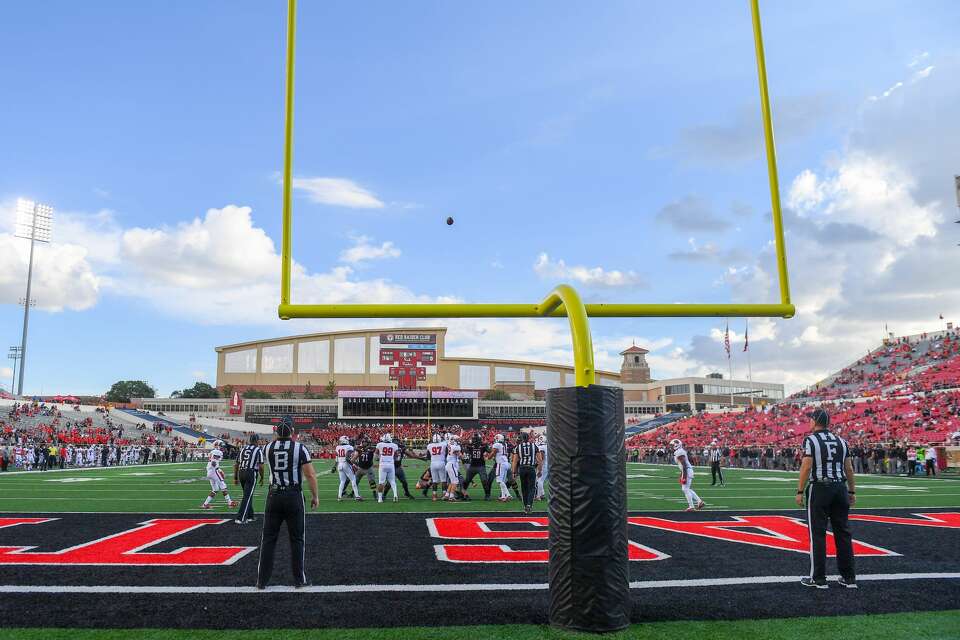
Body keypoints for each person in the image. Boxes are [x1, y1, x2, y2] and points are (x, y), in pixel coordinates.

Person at [795, 407, 857, 589]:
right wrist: (852, 491)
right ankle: (849, 577)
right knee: (843, 533)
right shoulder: (842, 441)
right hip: (840, 488)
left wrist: (799, 490)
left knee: (818, 534)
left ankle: (818, 578)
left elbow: (806, 466)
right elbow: (849, 469)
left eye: (810, 419)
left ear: (814, 421)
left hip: (820, 487)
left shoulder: (811, 440)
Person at [256, 420, 319, 590]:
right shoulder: (300, 448)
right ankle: (299, 579)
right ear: (292, 432)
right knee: (297, 539)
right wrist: (315, 496)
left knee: (268, 539)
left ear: (276, 432)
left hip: (274, 495)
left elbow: (262, 465)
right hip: (293, 495)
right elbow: (310, 475)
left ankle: (262, 580)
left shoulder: (267, 448)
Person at [233, 433, 264, 524]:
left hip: (241, 472)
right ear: (257, 441)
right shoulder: (258, 450)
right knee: (247, 496)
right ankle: (240, 518)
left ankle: (250, 516)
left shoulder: (243, 449)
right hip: (251, 472)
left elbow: (236, 464)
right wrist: (262, 477)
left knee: (248, 494)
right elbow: (261, 466)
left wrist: (235, 477)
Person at [201, 440, 237, 510]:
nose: (223, 448)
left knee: (215, 489)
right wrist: (218, 470)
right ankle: (230, 503)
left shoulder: (212, 451)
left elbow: (212, 462)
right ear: (219, 446)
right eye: (222, 446)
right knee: (223, 486)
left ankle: (205, 504)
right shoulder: (219, 452)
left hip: (210, 471)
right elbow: (214, 462)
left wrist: (219, 469)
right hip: (214, 471)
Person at [512, 431, 542, 514]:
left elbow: (514, 461)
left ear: (521, 439)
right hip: (531, 468)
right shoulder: (534, 446)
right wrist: (540, 470)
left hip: (522, 469)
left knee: (524, 488)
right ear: (528, 438)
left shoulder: (518, 447)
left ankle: (525, 506)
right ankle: (529, 505)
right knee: (532, 488)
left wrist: (514, 472)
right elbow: (539, 460)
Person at [670, 439, 704, 512]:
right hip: (687, 470)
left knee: (685, 489)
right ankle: (699, 501)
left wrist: (684, 476)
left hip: (687, 470)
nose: (671, 446)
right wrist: (681, 474)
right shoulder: (679, 451)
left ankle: (691, 506)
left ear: (677, 445)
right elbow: (683, 466)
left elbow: (684, 465)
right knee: (687, 488)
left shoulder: (679, 452)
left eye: (672, 445)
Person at [462, 433, 490, 500]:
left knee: (484, 480)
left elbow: (490, 451)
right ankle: (463, 493)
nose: (475, 440)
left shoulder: (483, 446)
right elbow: (464, 442)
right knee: (467, 480)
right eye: (474, 439)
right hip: (472, 466)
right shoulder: (471, 446)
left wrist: (486, 445)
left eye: (476, 439)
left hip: (481, 466)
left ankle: (487, 495)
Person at [334, 435, 361, 502]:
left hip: (340, 464)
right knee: (353, 479)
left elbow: (337, 457)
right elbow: (351, 457)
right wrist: (354, 464)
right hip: (346, 464)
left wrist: (335, 466)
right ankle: (357, 496)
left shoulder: (337, 447)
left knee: (342, 481)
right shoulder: (349, 447)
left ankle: (339, 497)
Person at [375, 433, 399, 503]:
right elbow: (397, 456)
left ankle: (380, 499)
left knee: (381, 482)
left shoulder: (380, 444)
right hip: (391, 465)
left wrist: (377, 459)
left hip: (383, 464)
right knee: (392, 481)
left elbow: (376, 455)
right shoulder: (394, 445)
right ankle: (395, 495)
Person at [488, 434, 512, 502]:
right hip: (506, 462)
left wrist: (488, 457)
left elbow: (493, 452)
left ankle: (508, 495)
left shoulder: (497, 444)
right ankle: (503, 496)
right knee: (502, 481)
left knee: (499, 480)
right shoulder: (504, 444)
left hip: (500, 463)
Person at [426, 434, 448, 501]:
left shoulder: (429, 445)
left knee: (434, 481)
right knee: (443, 480)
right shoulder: (444, 444)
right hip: (441, 463)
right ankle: (444, 495)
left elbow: (428, 457)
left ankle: (434, 496)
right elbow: (447, 453)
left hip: (433, 463)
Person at [535, 435, 549, 501]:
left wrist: (539, 467)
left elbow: (541, 458)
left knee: (539, 480)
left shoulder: (541, 447)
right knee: (540, 480)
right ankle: (542, 494)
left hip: (543, 465)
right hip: (547, 464)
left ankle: (538, 496)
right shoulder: (546, 446)